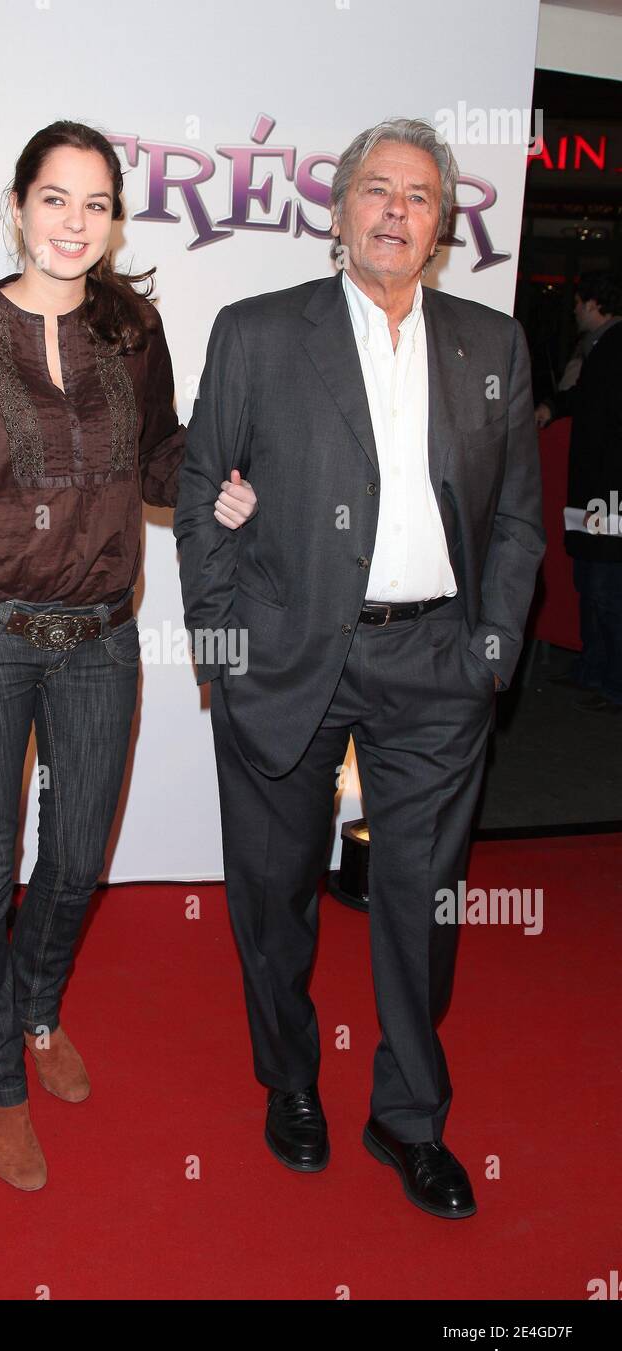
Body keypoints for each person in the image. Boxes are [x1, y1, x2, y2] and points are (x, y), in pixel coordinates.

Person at [0, 121, 258, 1192]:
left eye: (96, 204)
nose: (74, 222)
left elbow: (160, 454)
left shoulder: (132, 329)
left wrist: (213, 477)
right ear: (18, 206)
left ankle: (35, 1007)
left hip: (102, 640)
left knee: (75, 858)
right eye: (56, 198)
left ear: (114, 222)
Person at [174, 117, 545, 1219]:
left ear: (442, 224)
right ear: (334, 213)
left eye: (419, 195)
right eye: (375, 189)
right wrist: (221, 650)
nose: (395, 209)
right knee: (273, 894)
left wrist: (493, 652)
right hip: (285, 657)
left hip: (437, 661)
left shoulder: (493, 346)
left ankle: (408, 1115)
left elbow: (518, 519)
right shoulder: (258, 332)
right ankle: (291, 1081)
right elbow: (202, 494)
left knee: (422, 905)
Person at [535, 272, 622, 713]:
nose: (573, 311)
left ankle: (613, 681)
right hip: (594, 492)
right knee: (589, 577)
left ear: (593, 304)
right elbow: (584, 399)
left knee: (605, 584)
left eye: (578, 303)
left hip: (608, 494)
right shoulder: (601, 348)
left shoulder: (614, 348)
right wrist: (554, 405)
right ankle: (592, 669)